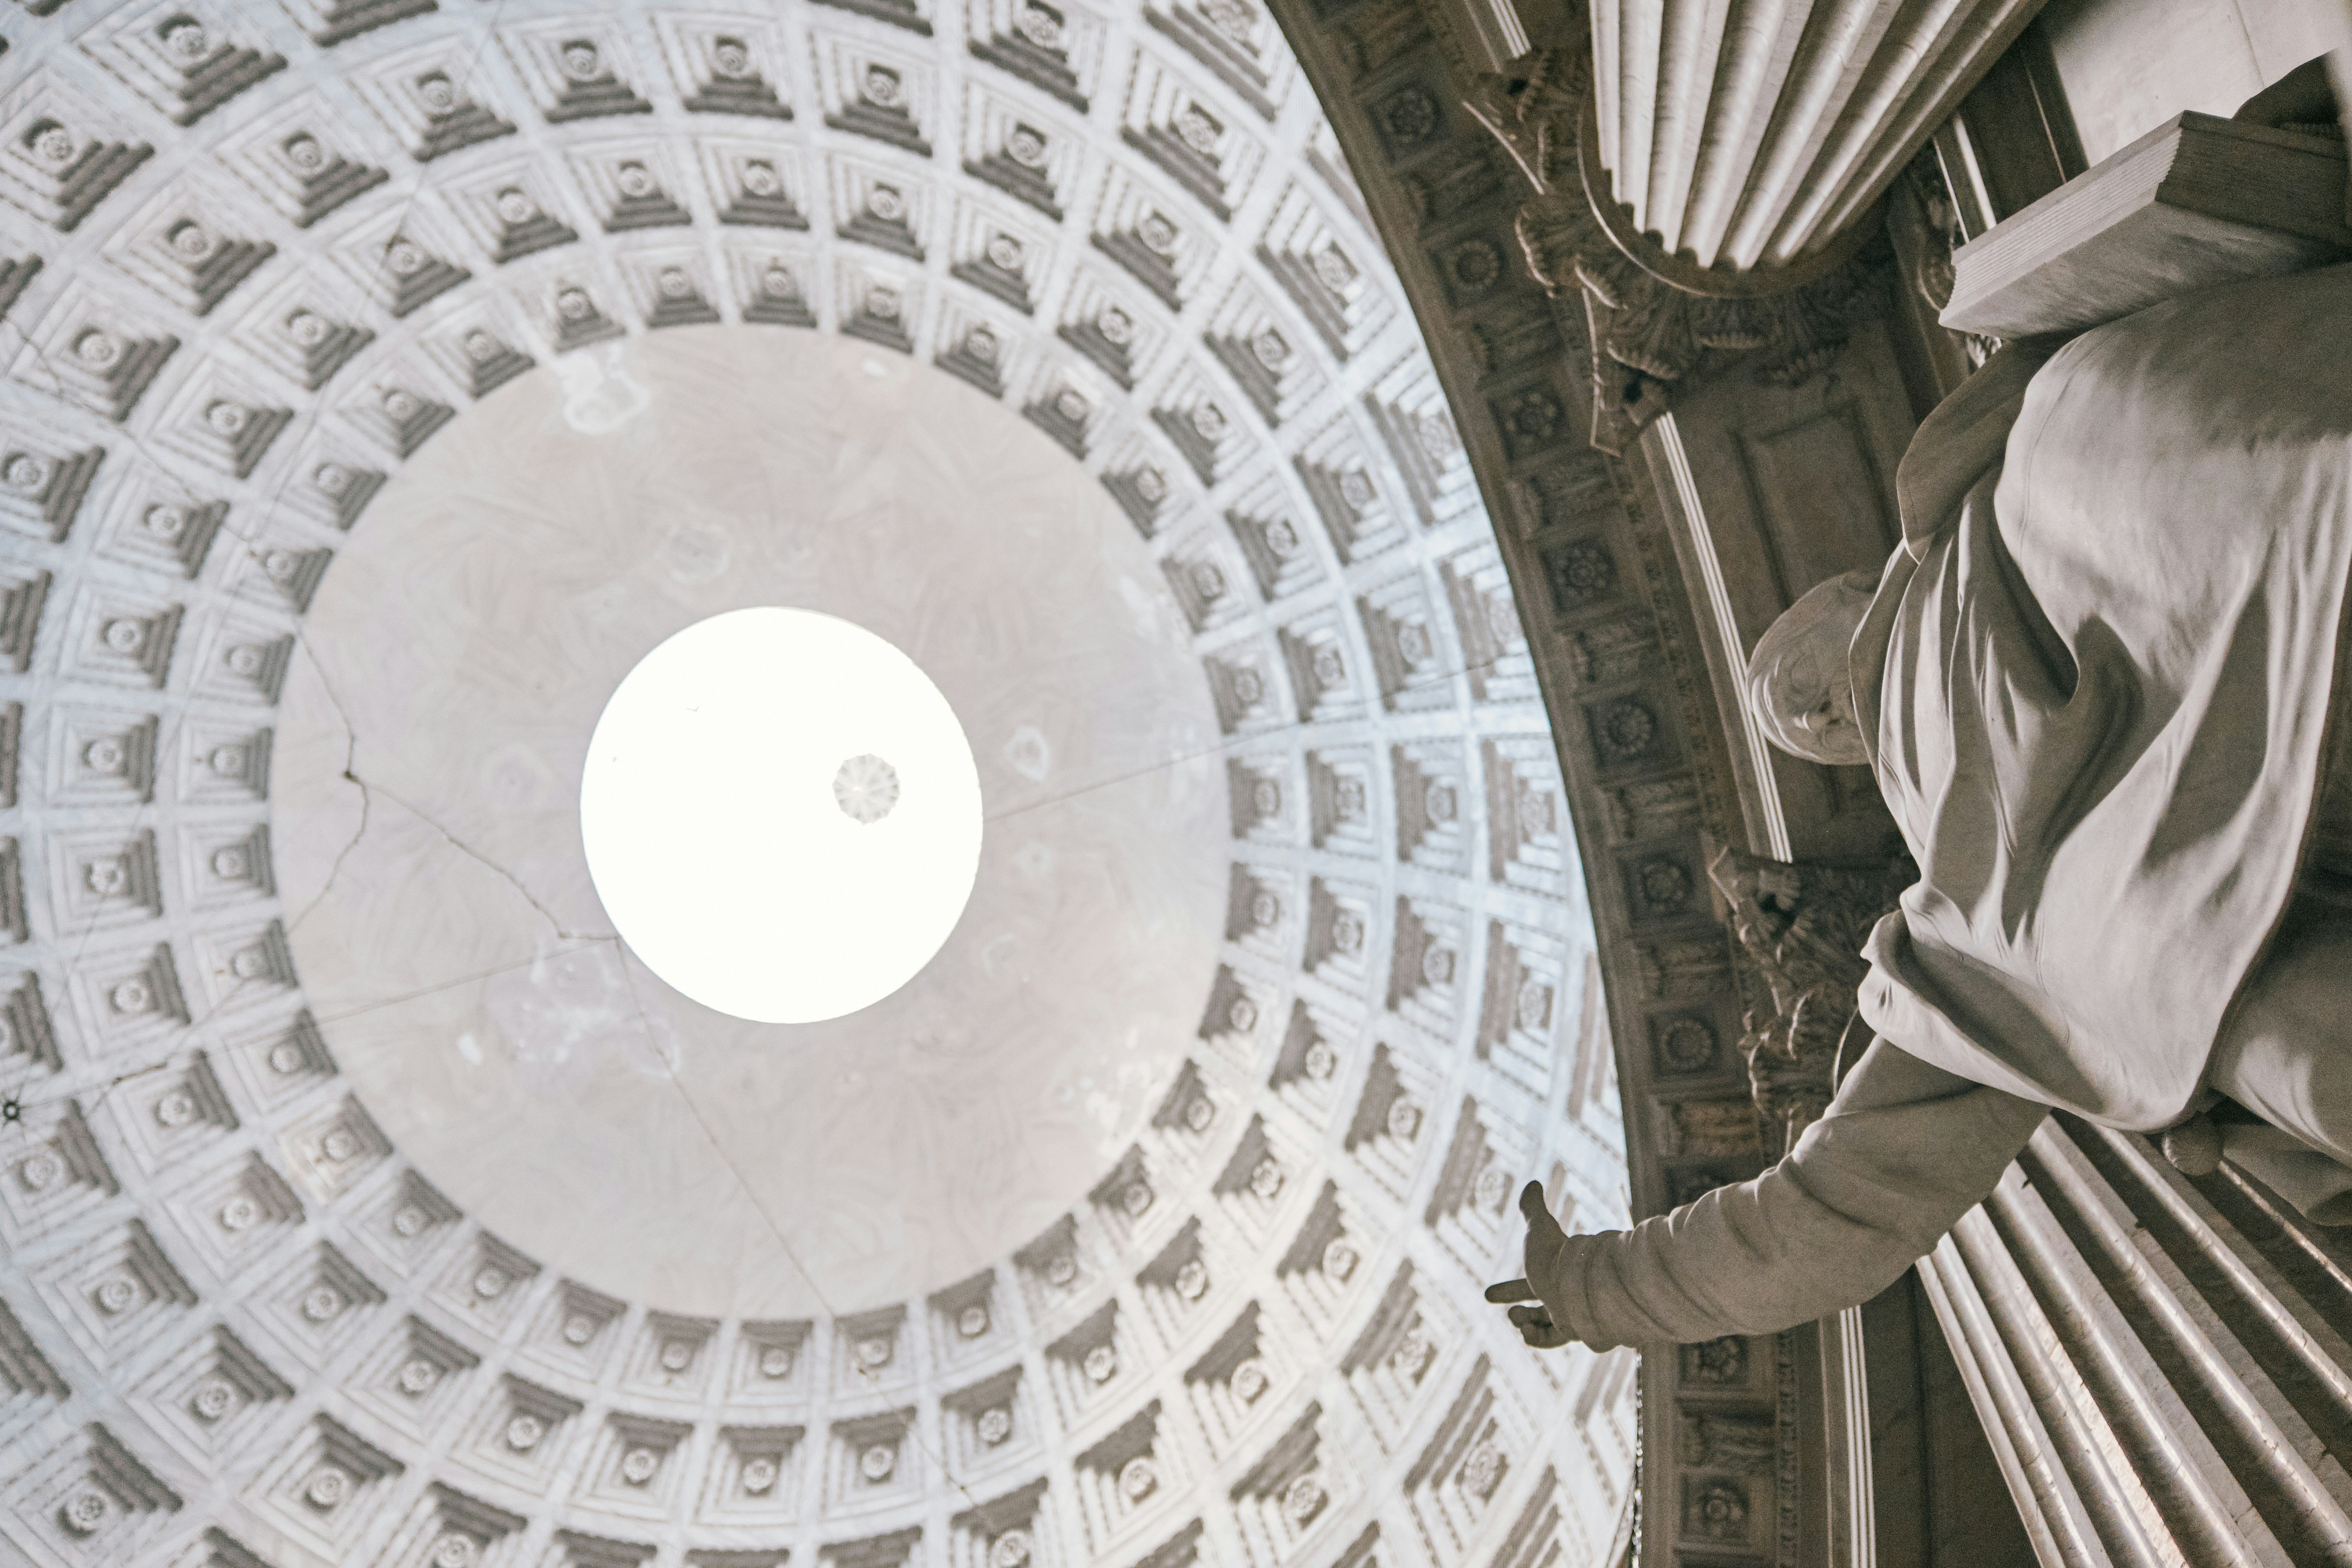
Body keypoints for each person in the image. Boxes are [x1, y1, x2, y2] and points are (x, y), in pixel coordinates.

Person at [1489, 260, 2352, 1352]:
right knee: (2224, 1017)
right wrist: (1606, 1288)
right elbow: (1839, 1202)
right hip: (2188, 890)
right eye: (1797, 724)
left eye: (1791, 677)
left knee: (2094, 430)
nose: (1799, 707)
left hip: (2186, 538)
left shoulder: (1988, 494)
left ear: (1858, 586)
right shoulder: (1960, 919)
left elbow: (1836, 1210)